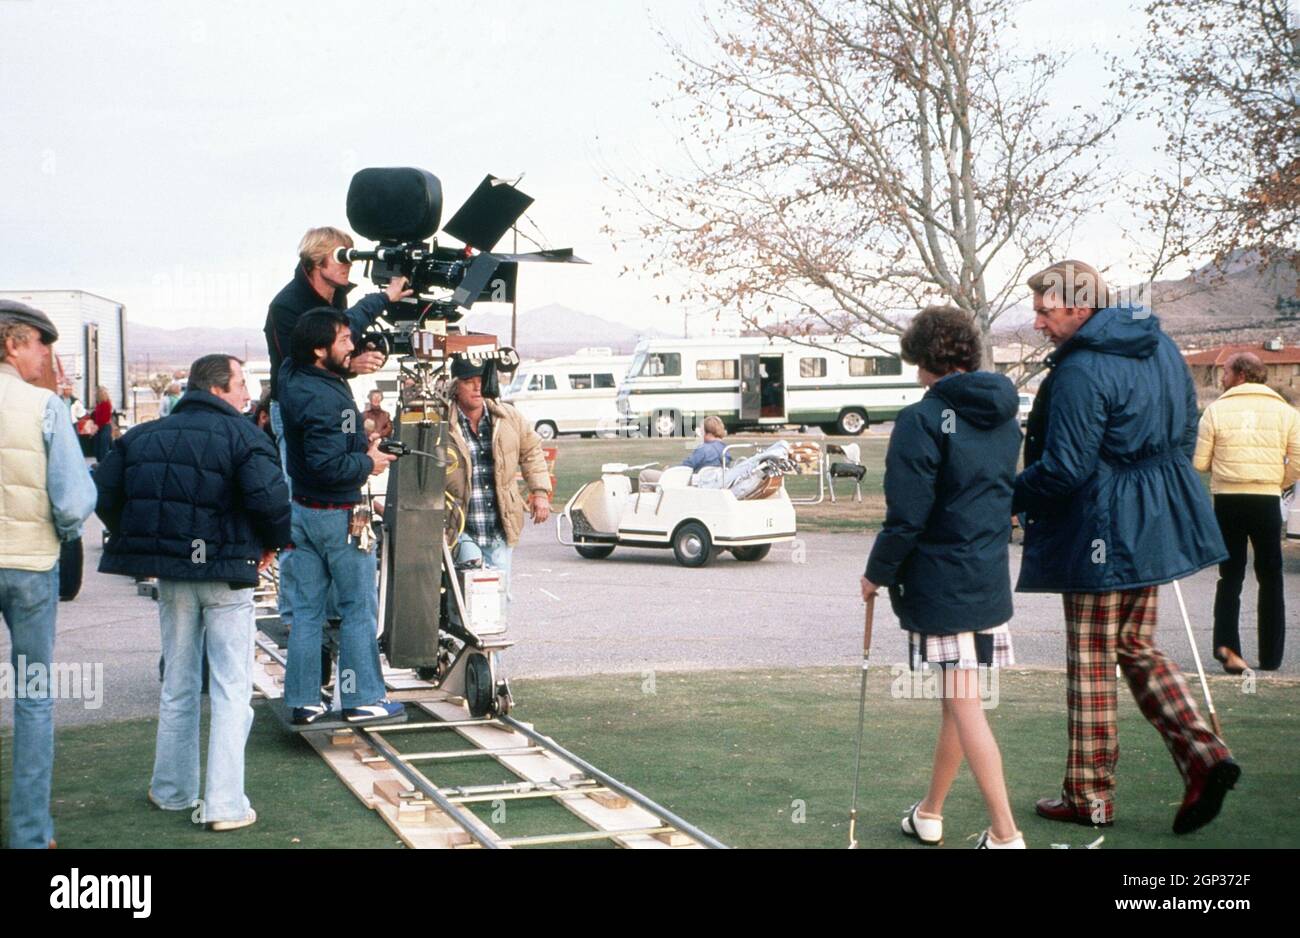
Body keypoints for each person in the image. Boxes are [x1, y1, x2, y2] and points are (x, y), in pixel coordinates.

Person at [1013, 259, 1237, 835]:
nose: (1036, 322)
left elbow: (1064, 469)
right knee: (1135, 644)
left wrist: (1006, 496)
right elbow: (1188, 428)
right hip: (1152, 518)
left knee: (1092, 659)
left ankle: (1089, 796)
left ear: (1080, 307)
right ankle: (1205, 755)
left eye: (1044, 311)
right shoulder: (1158, 345)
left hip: (1100, 525)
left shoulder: (1083, 369)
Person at [95, 354, 290, 831]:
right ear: (220, 388)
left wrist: (146, 542)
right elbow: (271, 502)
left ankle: (172, 791)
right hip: (227, 576)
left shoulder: (141, 436)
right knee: (230, 689)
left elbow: (101, 495)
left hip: (175, 578)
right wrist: (269, 545)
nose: (248, 393)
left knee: (179, 684)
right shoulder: (245, 437)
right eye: (242, 383)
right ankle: (224, 805)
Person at [861, 306, 1025, 849]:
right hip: (985, 578)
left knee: (964, 704)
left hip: (943, 582)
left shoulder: (921, 418)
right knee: (960, 700)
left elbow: (907, 516)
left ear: (926, 359)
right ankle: (930, 812)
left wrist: (875, 574)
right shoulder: (1004, 412)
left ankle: (1006, 835)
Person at [263, 226, 409, 642]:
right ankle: (297, 614)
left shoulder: (338, 297)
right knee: (304, 500)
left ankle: (327, 611)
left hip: (334, 405)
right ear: (316, 263)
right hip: (297, 411)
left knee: (341, 485)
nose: (349, 266)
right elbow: (303, 365)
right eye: (342, 257)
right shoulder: (287, 306)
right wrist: (351, 364)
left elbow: (343, 328)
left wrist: (384, 300)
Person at [0, 300, 97, 849]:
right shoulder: (44, 406)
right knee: (33, 698)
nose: (47, 356)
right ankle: (30, 834)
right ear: (14, 343)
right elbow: (72, 499)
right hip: (30, 567)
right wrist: (61, 535)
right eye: (42, 343)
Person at [278, 309, 399, 725]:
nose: (354, 347)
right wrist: (369, 462)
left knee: (307, 610)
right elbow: (328, 466)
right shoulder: (327, 397)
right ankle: (362, 696)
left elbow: (319, 453)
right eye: (345, 340)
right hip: (340, 516)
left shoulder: (292, 375)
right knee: (356, 609)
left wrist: (381, 298)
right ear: (318, 350)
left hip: (302, 513)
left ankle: (303, 700)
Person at [1193, 352, 1300, 673]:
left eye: (1225, 372)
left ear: (1240, 375)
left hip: (1227, 500)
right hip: (1266, 499)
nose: (1221, 377)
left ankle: (1228, 651)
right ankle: (1271, 656)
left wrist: (1222, 470)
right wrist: (1275, 481)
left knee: (1230, 578)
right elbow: (1297, 461)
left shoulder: (1215, 410)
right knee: (1271, 577)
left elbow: (1199, 463)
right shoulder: (1287, 413)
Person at [445, 356, 552, 588]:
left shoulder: (508, 417)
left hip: (499, 529)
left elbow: (532, 450)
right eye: (468, 381)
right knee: (472, 595)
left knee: (499, 598)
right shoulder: (443, 423)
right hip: (460, 528)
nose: (476, 387)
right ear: (455, 386)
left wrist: (540, 492)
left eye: (481, 380)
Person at [639, 415, 728, 487]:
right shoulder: (725, 450)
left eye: (701, 431)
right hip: (712, 482)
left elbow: (685, 467)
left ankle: (649, 503)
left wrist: (668, 469)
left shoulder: (703, 449)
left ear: (706, 432)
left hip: (690, 481)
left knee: (644, 474)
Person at [91, 385, 114, 462]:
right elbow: (97, 417)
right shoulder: (99, 404)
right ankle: (99, 463)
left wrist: (97, 426)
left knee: (103, 448)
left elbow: (105, 418)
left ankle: (103, 464)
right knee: (97, 447)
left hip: (104, 427)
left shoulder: (106, 404)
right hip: (100, 427)